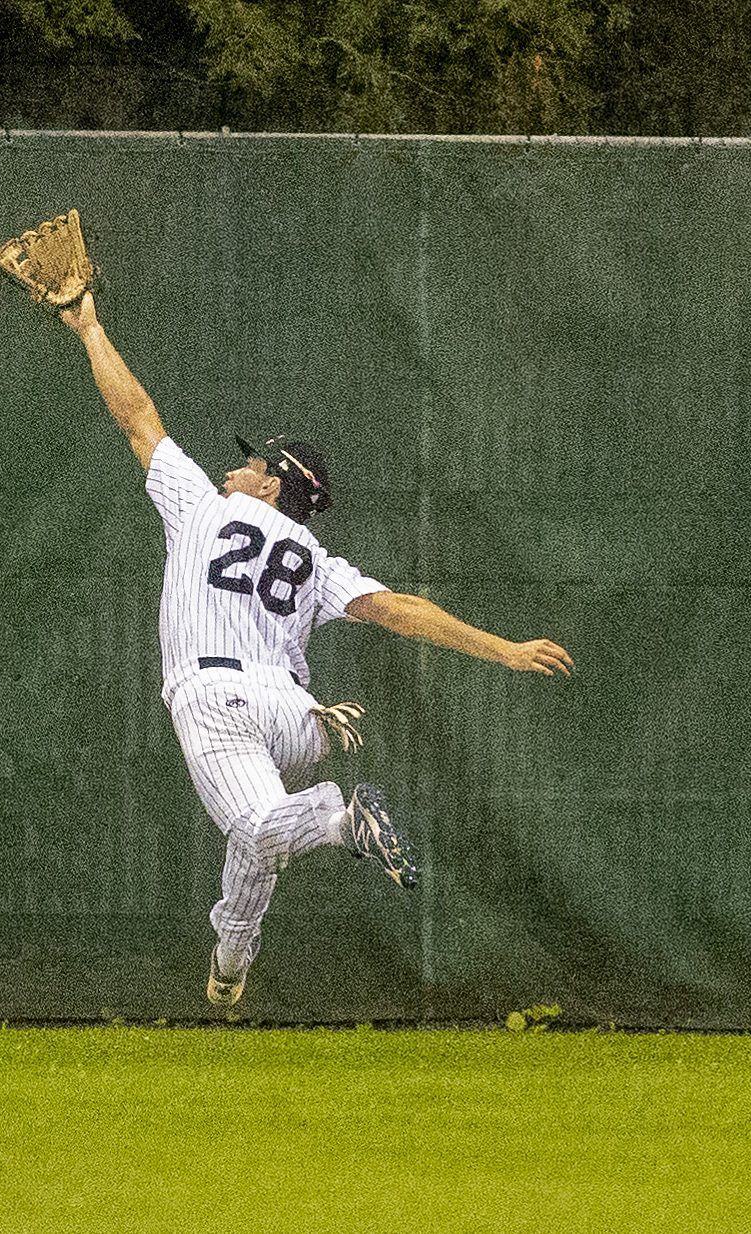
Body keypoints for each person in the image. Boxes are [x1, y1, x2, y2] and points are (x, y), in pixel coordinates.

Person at [59, 291, 573, 1008]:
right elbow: (402, 612)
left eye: (250, 464)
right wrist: (505, 650)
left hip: (215, 699)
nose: (235, 469)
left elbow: (135, 415)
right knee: (259, 841)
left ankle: (341, 818)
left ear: (272, 485)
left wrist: (89, 327)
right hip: (300, 718)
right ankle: (231, 961)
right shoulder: (317, 560)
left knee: (260, 826)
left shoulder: (202, 506)